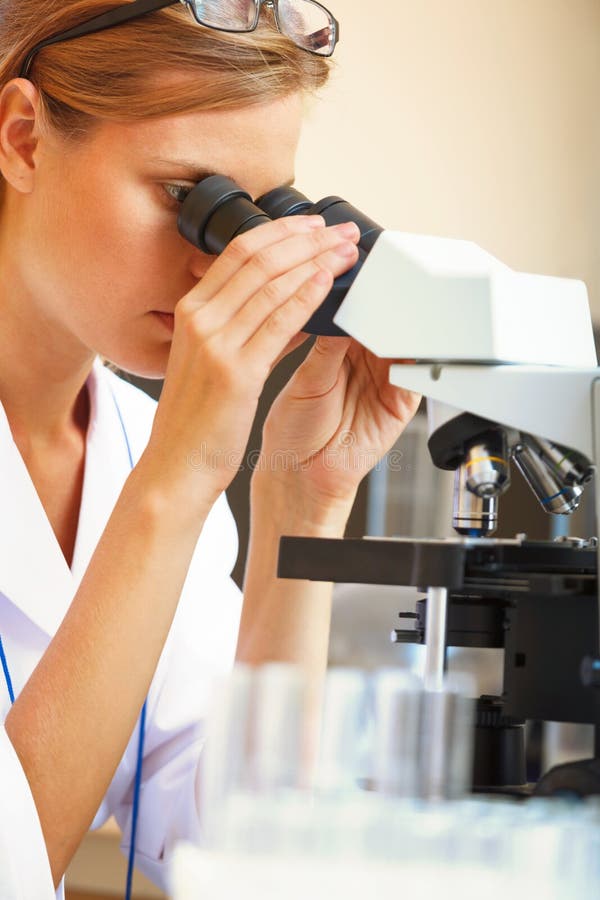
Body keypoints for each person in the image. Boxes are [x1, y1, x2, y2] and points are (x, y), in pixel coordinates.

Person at [0, 0, 420, 896]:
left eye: (251, 212)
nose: (218, 261)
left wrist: (300, 503)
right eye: (181, 195)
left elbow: (246, 849)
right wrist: (178, 482)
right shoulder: (169, 465)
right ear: (25, 139)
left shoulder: (136, 442)